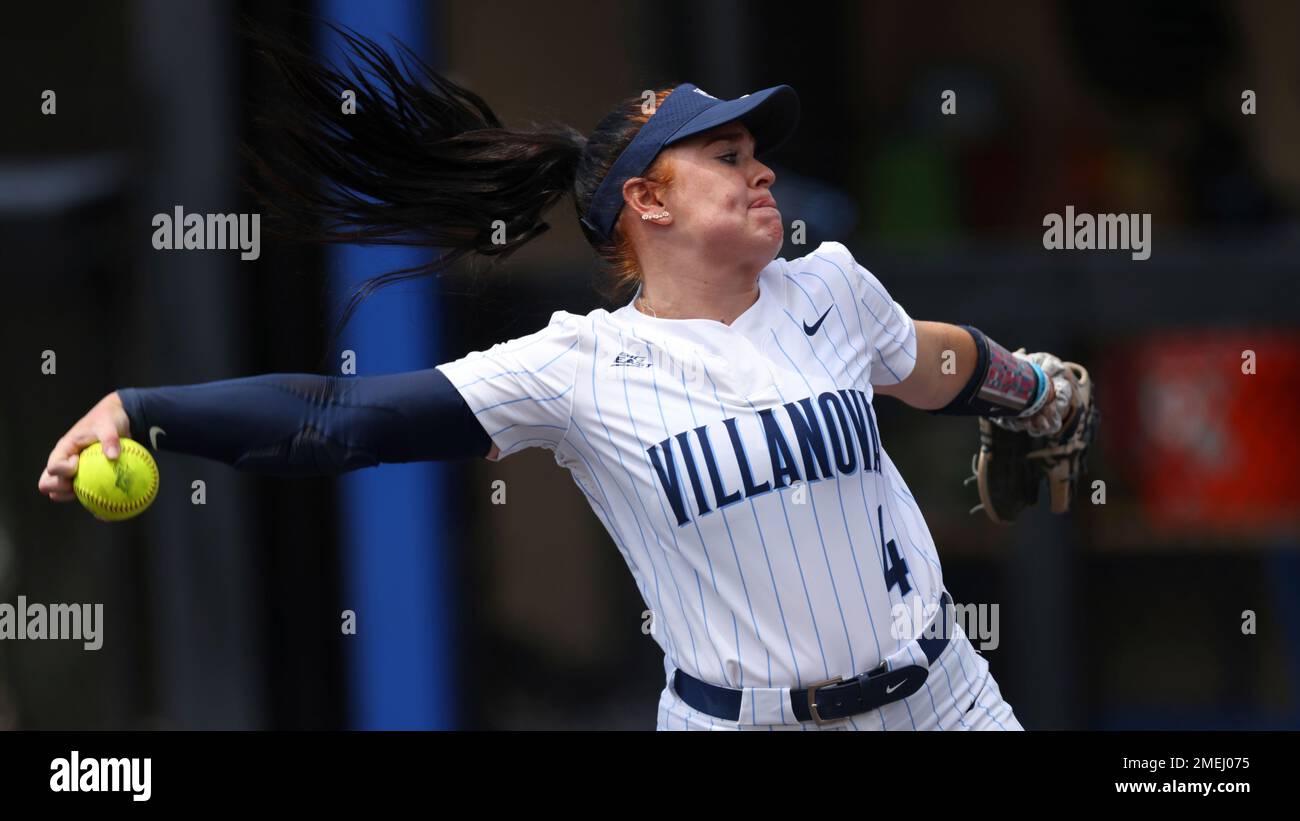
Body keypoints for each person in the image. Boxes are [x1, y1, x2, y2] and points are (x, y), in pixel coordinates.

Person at [39, 27, 1077, 730]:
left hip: (944, 699)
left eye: (754, 149)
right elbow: (337, 419)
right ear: (646, 201)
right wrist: (145, 409)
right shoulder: (577, 366)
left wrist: (1024, 391)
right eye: (722, 153)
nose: (758, 168)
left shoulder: (831, 289)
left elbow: (922, 361)